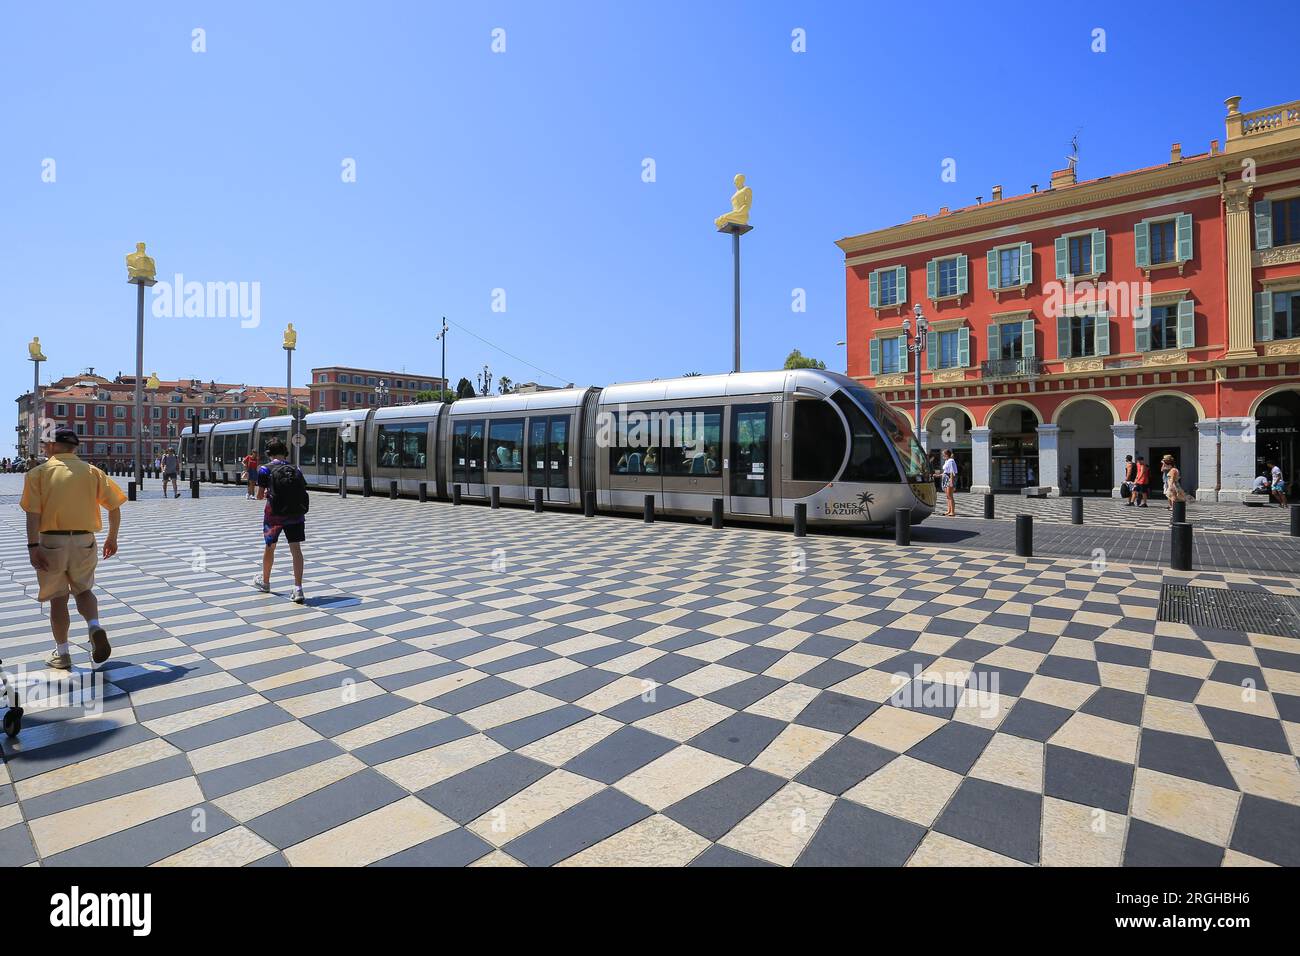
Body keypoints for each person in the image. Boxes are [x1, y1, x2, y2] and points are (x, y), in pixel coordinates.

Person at [20, 427, 123, 670]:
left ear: (54, 446)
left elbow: (33, 515)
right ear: (74, 447)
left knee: (58, 598)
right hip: (84, 540)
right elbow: (115, 507)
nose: (44, 449)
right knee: (84, 590)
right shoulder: (92, 472)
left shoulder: (39, 473)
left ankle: (63, 653)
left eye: (46, 445)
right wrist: (112, 538)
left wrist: (33, 546)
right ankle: (94, 626)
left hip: (51, 542)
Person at [253, 438, 308, 603]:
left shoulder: (264, 469)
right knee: (296, 549)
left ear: (268, 453)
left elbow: (259, 496)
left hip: (274, 515)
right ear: (285, 452)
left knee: (270, 547)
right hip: (295, 514)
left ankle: (266, 582)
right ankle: (298, 588)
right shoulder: (295, 468)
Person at [935, 448, 958, 517]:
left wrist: (951, 481)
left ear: (946, 455)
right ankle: (949, 510)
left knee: (950, 495)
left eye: (943, 454)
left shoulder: (951, 461)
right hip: (946, 478)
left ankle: (952, 512)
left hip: (949, 478)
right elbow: (945, 472)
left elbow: (952, 471)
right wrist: (938, 475)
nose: (942, 456)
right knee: (948, 496)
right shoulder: (947, 461)